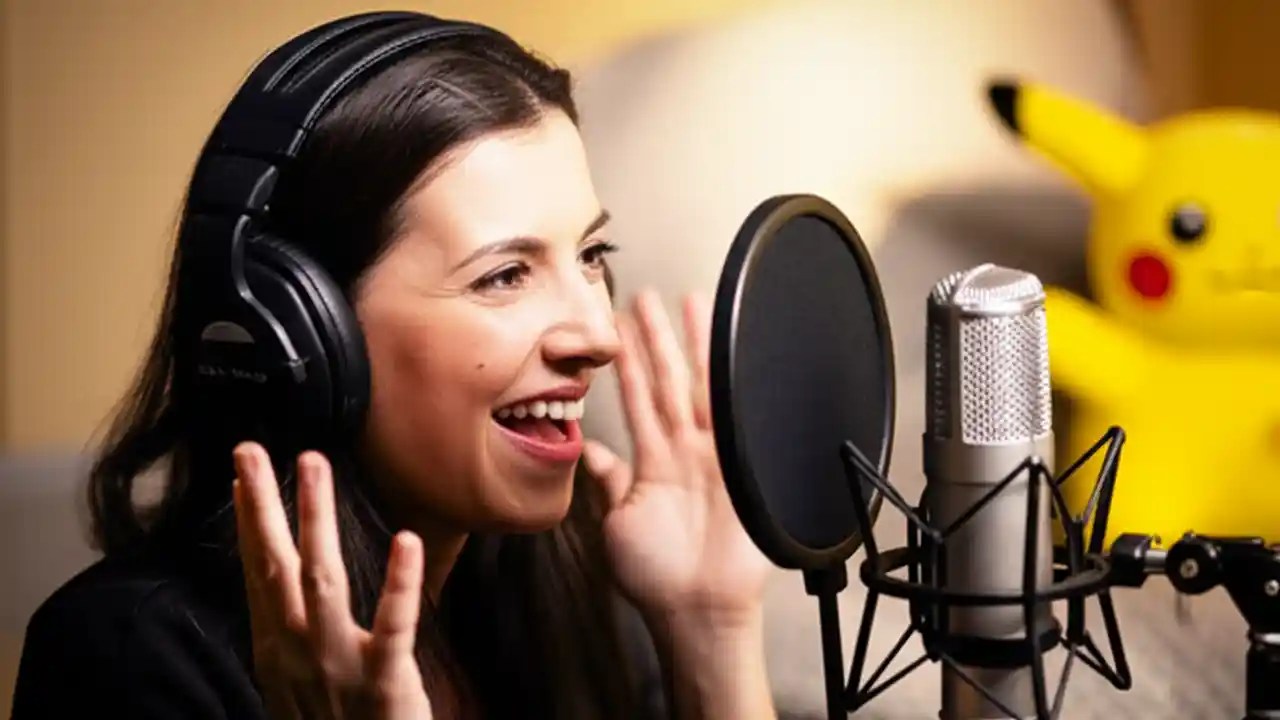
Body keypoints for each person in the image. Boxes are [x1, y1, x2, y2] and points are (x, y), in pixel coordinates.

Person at [8, 12, 776, 720]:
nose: (598, 335)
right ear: (304, 331)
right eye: (504, 275)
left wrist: (710, 629)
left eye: (591, 254)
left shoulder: (572, 596)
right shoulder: (121, 660)